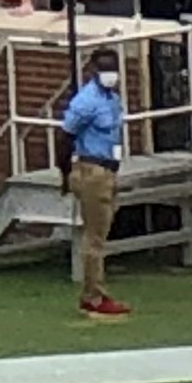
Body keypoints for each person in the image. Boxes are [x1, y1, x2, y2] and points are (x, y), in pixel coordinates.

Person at [59, 47, 126, 323]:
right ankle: (93, 296)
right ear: (93, 71)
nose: (111, 74)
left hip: (108, 168)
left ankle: (94, 292)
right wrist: (64, 175)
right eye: (105, 68)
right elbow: (64, 137)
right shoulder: (85, 101)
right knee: (94, 236)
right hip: (92, 169)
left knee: (102, 230)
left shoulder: (112, 99)